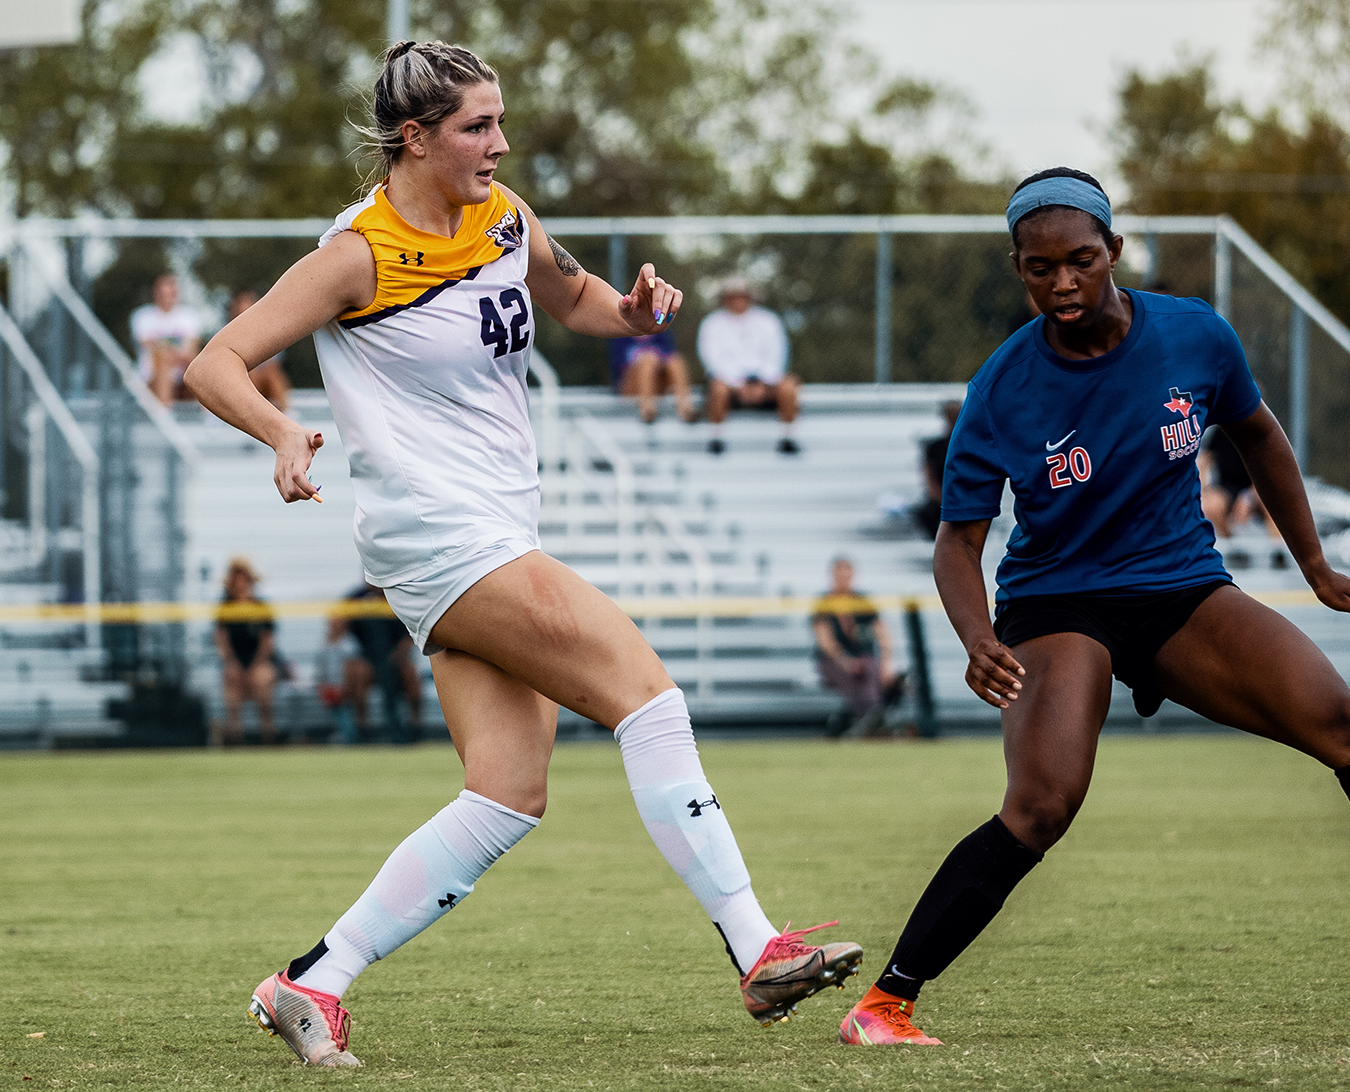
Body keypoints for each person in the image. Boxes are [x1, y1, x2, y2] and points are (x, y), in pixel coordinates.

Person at [185, 40, 862, 1067]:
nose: (500, 143)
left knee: (507, 793)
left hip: (495, 528)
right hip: (439, 530)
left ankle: (311, 982)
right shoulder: (356, 254)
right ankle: (755, 946)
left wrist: (631, 315)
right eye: (476, 127)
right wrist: (280, 433)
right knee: (648, 693)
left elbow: (570, 296)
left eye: (499, 122)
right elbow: (215, 362)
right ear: (414, 139)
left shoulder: (503, 218)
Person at [838, 168, 1350, 1048]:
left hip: (1181, 590)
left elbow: (1260, 436)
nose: (1061, 283)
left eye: (1081, 261)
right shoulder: (1000, 390)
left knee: (1345, 722)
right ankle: (886, 1003)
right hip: (1060, 605)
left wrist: (1316, 567)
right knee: (1042, 805)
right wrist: (977, 635)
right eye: (1038, 268)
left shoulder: (1195, 335)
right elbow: (958, 542)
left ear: (1115, 253)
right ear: (1018, 268)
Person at [696, 279, 801, 455]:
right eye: (733, 297)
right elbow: (712, 359)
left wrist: (763, 383)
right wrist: (738, 384)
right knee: (717, 389)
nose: (738, 301)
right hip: (728, 383)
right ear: (724, 299)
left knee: (790, 386)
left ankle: (787, 437)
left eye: (742, 296)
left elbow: (777, 354)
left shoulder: (768, 321)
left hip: (765, 383)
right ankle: (716, 438)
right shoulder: (712, 323)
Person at [811, 556, 903, 736]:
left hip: (862, 661)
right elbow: (825, 641)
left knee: (868, 669)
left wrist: (886, 662)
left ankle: (868, 720)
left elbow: (883, 632)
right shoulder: (824, 603)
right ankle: (872, 718)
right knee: (862, 675)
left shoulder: (861, 601)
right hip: (834, 662)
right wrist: (845, 661)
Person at [334, 582, 422, 743]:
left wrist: (398, 654)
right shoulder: (356, 597)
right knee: (357, 672)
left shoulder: (398, 596)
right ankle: (362, 728)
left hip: (395, 655)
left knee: (410, 673)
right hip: (366, 657)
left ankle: (415, 726)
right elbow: (336, 631)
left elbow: (410, 634)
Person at [214, 556, 280, 746]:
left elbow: (267, 642)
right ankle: (235, 736)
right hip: (235, 660)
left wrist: (256, 665)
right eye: (237, 578)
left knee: (262, 677)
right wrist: (232, 662)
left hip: (258, 660)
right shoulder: (225, 608)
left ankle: (268, 735)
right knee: (231, 676)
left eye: (244, 578)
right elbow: (221, 640)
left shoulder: (261, 607)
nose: (241, 583)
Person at [131, 273, 204, 406]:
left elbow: (191, 348)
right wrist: (173, 353)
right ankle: (165, 415)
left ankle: (210, 417)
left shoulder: (189, 316)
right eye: (163, 294)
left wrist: (170, 352)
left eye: (170, 294)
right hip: (151, 378)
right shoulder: (142, 316)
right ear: (155, 294)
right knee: (163, 365)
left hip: (183, 377)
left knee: (199, 363)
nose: (166, 298)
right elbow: (150, 347)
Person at [609, 329, 697, 431]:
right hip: (631, 386)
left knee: (675, 361)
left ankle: (685, 406)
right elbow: (618, 366)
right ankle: (647, 409)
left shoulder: (661, 332)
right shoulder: (621, 334)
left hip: (656, 384)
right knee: (648, 361)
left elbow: (669, 355)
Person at [1199, 425, 1278, 539]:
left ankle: (1278, 551)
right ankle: (1232, 547)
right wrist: (1204, 490)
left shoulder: (1259, 429)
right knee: (1212, 505)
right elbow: (1205, 460)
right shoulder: (1220, 431)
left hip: (1256, 488)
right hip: (1228, 488)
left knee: (1274, 502)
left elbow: (1268, 473)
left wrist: (1247, 498)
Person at [228, 287, 292, 412]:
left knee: (271, 374)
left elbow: (274, 364)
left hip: (260, 380)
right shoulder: (226, 333)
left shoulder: (269, 333)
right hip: (238, 381)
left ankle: (286, 412)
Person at [912, 401, 960, 540]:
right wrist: (945, 501)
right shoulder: (935, 447)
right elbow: (929, 478)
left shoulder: (970, 446)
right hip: (940, 502)